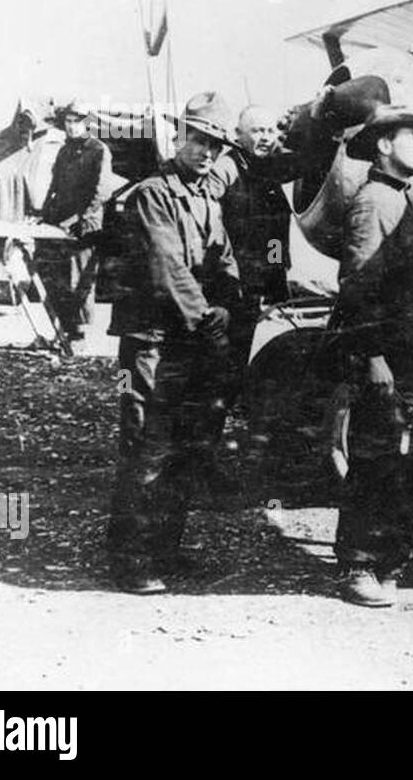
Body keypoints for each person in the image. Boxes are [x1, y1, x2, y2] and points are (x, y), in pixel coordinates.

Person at [105, 92, 243, 594]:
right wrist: (208, 317)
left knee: (186, 445)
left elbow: (223, 261)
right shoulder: (152, 194)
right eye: (198, 139)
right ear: (178, 136)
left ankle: (164, 547)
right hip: (152, 341)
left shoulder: (208, 196)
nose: (206, 151)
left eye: (215, 144)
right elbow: (168, 268)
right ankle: (130, 559)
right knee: (147, 444)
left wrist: (227, 301)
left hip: (189, 339)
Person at [327, 104, 413, 608]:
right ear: (382, 145)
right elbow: (357, 287)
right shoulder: (374, 202)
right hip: (388, 359)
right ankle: (357, 563)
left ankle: (396, 560)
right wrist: (373, 358)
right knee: (378, 455)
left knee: (412, 456)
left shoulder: (399, 200)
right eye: (412, 137)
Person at [208, 104, 302, 383]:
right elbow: (206, 212)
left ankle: (226, 396)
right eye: (257, 130)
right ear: (238, 135)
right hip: (230, 277)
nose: (266, 137)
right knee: (221, 351)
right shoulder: (227, 167)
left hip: (255, 279)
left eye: (270, 130)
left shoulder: (267, 166)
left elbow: (308, 161)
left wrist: (276, 273)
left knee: (239, 346)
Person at [32, 100, 114, 347]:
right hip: (59, 224)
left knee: (78, 280)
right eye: (68, 121)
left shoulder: (99, 150)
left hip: (84, 228)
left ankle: (78, 337)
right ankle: (61, 331)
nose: (71, 126)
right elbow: (54, 187)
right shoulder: (65, 151)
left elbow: (102, 192)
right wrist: (44, 215)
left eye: (76, 121)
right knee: (53, 274)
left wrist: (80, 219)